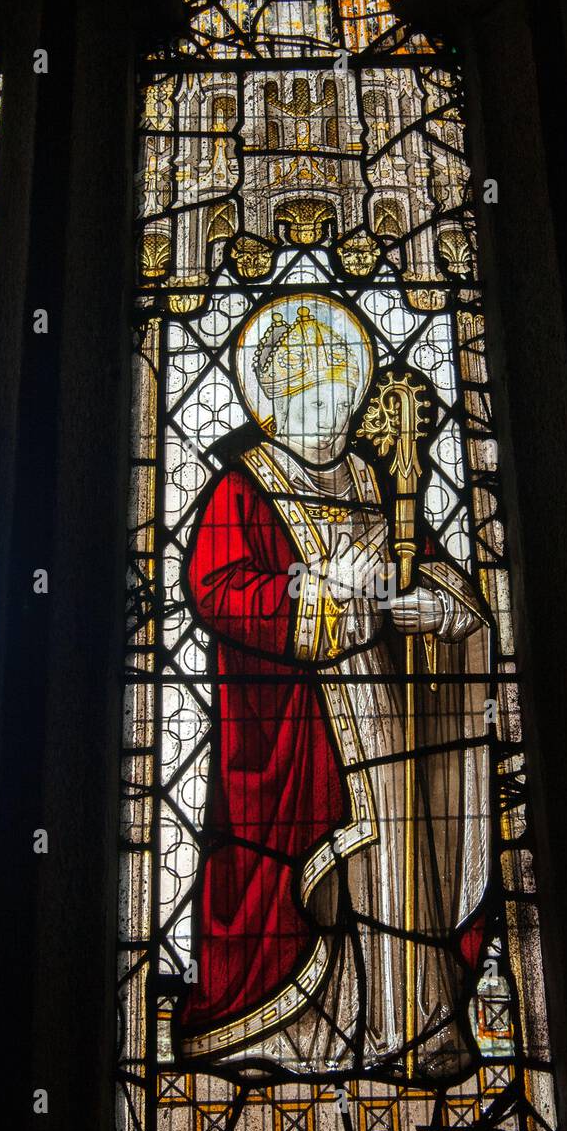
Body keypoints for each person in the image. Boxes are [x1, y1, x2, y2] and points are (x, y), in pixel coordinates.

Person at [175, 295, 491, 1079]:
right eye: (310, 389)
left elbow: (431, 570)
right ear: (274, 399)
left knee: (395, 849)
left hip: (385, 709)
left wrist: (437, 608)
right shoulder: (242, 486)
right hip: (291, 720)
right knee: (308, 868)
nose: (332, 404)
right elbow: (217, 590)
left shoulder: (376, 480)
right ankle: (285, 1028)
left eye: (342, 388)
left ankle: (404, 1023)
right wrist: (311, 591)